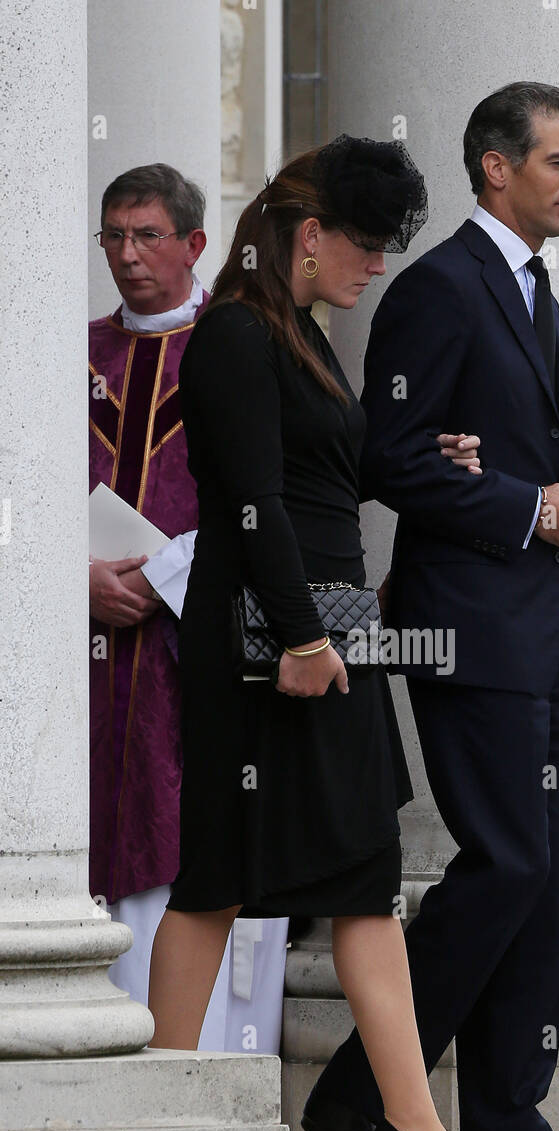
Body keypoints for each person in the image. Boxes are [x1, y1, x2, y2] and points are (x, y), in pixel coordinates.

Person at [146, 135, 514, 1131]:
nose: (377, 266)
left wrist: (422, 465)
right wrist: (305, 639)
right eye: (364, 244)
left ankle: (414, 1120)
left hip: (327, 636)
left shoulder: (300, 334)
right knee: (216, 872)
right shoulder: (232, 334)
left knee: (363, 875)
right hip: (269, 642)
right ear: (307, 236)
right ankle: (168, 1099)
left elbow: (316, 482)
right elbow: (251, 499)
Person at [303, 85, 559, 1131]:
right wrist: (519, 506)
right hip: (469, 628)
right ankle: (363, 1094)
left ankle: (509, 1127)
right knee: (510, 865)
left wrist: (508, 499)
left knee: (542, 882)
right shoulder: (440, 288)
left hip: (540, 631)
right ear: (495, 168)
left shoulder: (530, 289)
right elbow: (388, 459)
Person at [89, 162, 289, 1055]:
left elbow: (278, 497)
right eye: (114, 238)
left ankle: (210, 1074)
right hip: (89, 662)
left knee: (208, 843)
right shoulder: (73, 356)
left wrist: (163, 578)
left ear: (196, 244)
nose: (128, 257)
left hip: (204, 654)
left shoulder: (244, 342)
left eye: (148, 236)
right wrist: (76, 579)